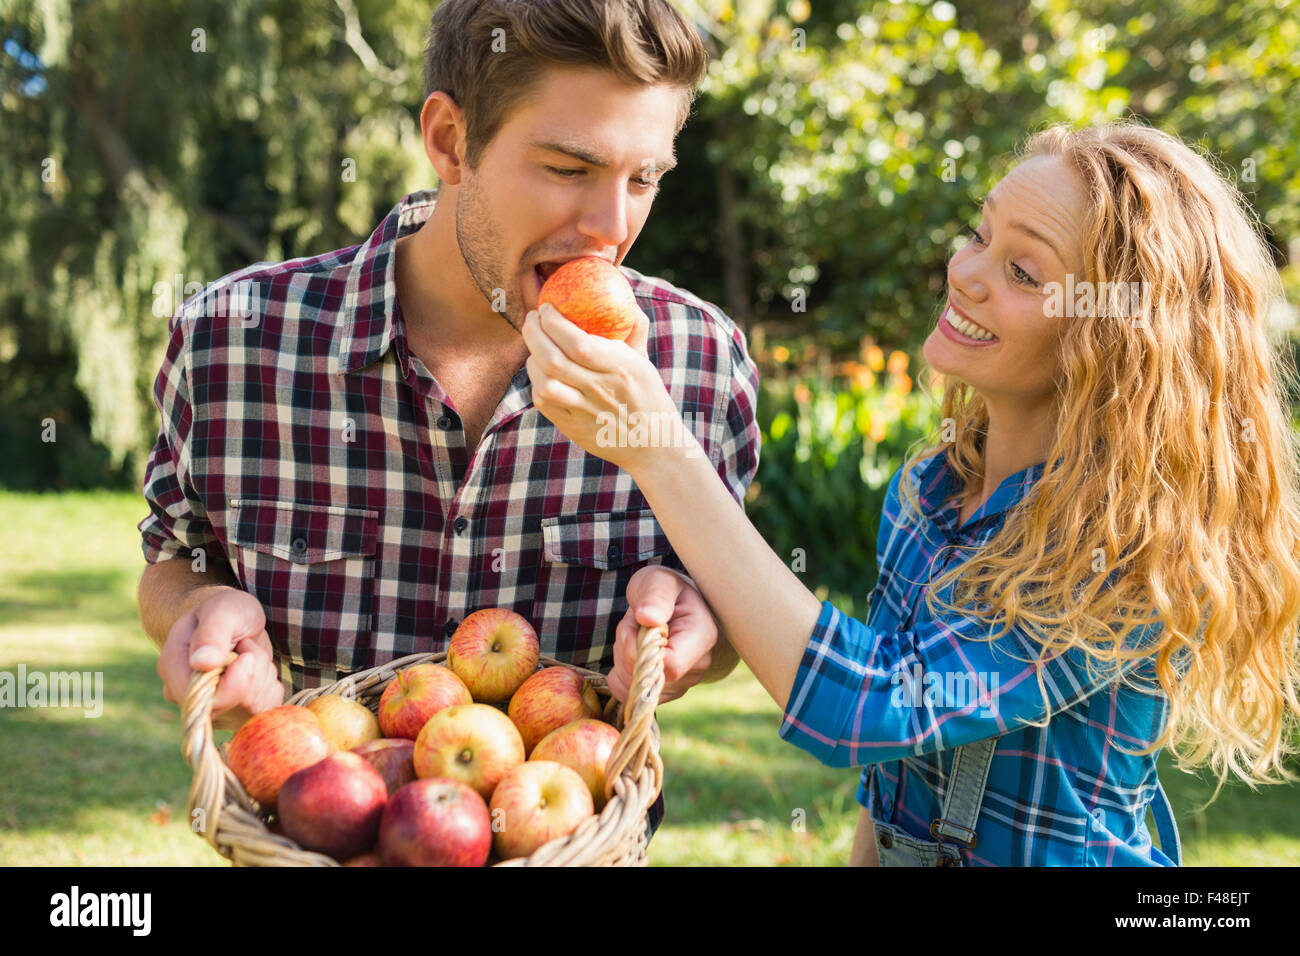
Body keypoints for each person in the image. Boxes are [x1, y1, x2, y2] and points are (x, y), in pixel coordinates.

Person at [522, 121, 1300, 866]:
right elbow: (893, 770)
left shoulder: (1125, 549)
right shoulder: (932, 489)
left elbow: (872, 705)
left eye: (1023, 272)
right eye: (980, 235)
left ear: (1116, 346)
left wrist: (660, 451)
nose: (966, 271)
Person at [135, 0, 759, 792]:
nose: (612, 227)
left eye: (645, 178)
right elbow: (174, 554)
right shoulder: (234, 340)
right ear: (449, 140)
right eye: (569, 169)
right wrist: (202, 612)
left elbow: (732, 612)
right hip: (319, 835)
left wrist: (699, 632)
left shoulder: (698, 362)